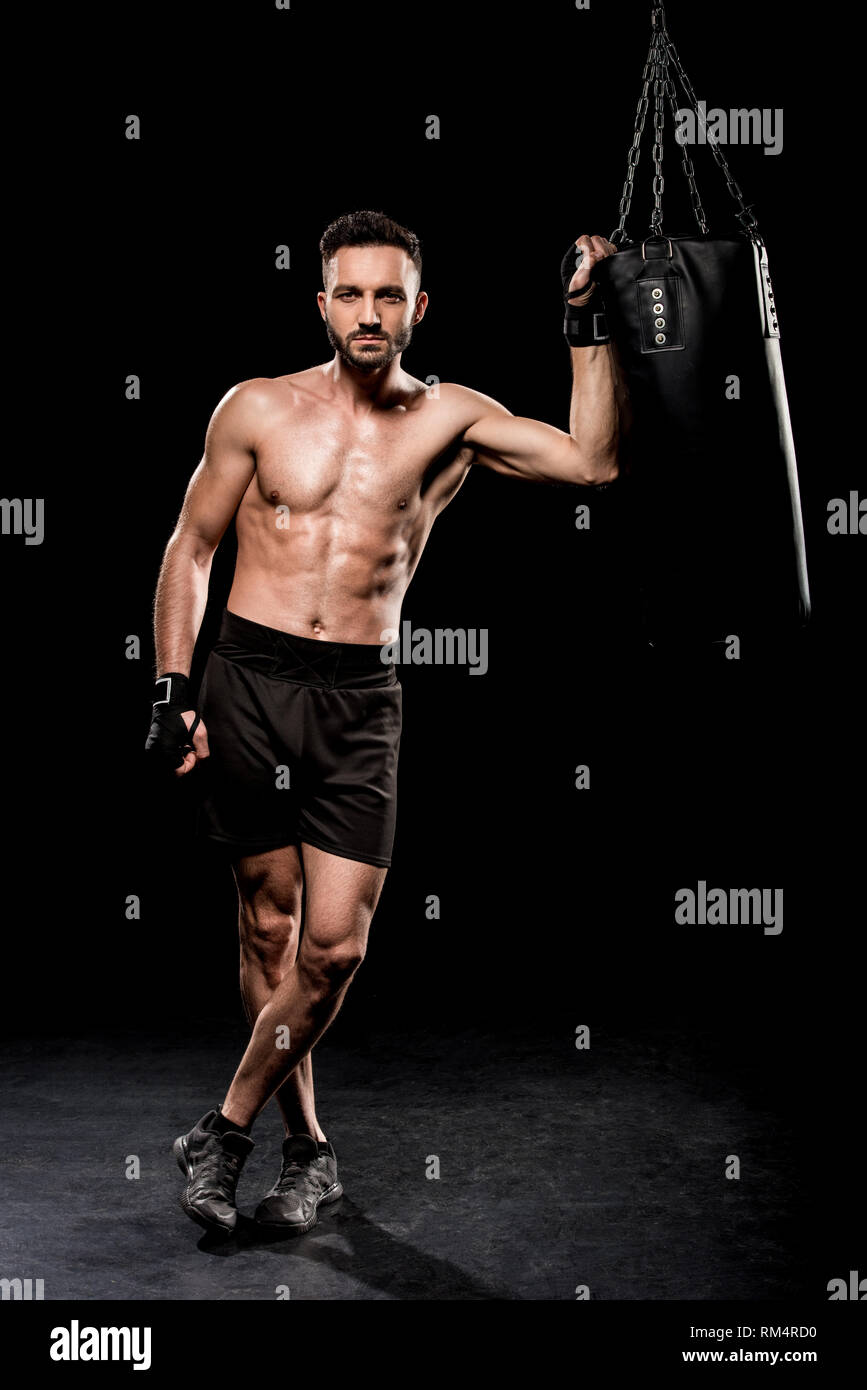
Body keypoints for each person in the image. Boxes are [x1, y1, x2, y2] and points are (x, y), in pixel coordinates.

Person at [145, 210, 625, 1236]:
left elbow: (593, 465)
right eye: (352, 294)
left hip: (360, 698)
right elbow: (190, 547)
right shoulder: (257, 407)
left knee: (333, 949)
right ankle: (308, 1149)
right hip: (250, 679)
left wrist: (586, 322)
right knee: (269, 930)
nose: (370, 313)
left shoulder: (449, 417)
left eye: (390, 294)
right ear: (322, 304)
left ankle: (223, 1128)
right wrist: (173, 689)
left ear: (419, 306)